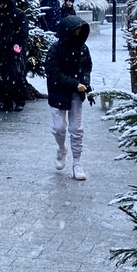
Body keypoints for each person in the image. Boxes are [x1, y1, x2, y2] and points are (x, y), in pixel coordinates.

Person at [45, 14, 93, 181]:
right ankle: (61, 148)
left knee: (77, 129)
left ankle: (77, 163)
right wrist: (74, 84)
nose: (77, 35)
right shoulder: (55, 50)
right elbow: (53, 74)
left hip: (76, 92)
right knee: (59, 127)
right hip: (58, 92)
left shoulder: (83, 49)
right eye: (75, 32)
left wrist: (85, 83)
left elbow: (87, 67)